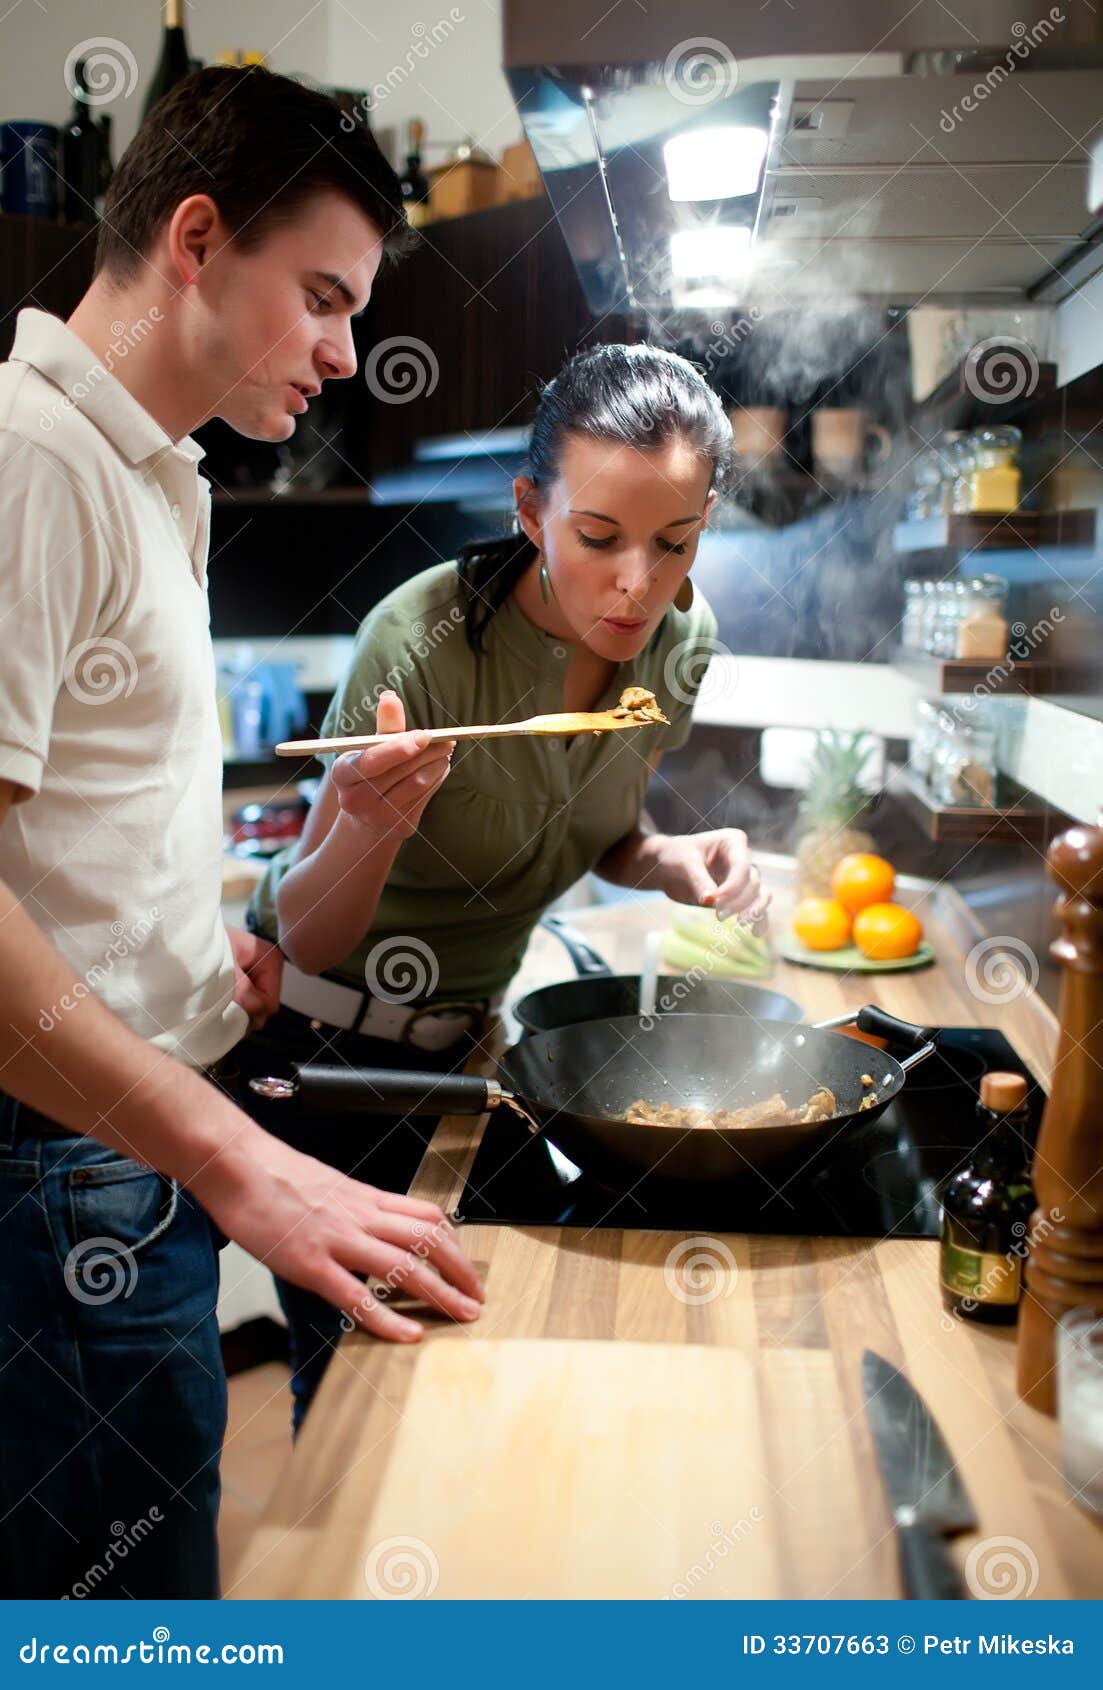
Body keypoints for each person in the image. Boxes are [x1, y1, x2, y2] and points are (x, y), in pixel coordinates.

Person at [0, 66, 482, 1601]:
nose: (345, 357)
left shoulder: (150, 473)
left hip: (113, 1146)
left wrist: (184, 938)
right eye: (325, 299)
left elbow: (66, 837)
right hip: (61, 1169)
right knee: (116, 1616)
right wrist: (241, 1164)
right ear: (197, 239)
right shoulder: (32, 461)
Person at [245, 342, 771, 1424]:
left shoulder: (679, 644)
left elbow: (603, 827)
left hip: (472, 1052)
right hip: (320, 1056)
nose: (636, 583)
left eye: (673, 542)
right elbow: (305, 930)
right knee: (360, 1401)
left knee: (504, 1367)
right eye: (597, 537)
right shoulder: (420, 643)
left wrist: (668, 860)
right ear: (531, 509)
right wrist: (370, 827)